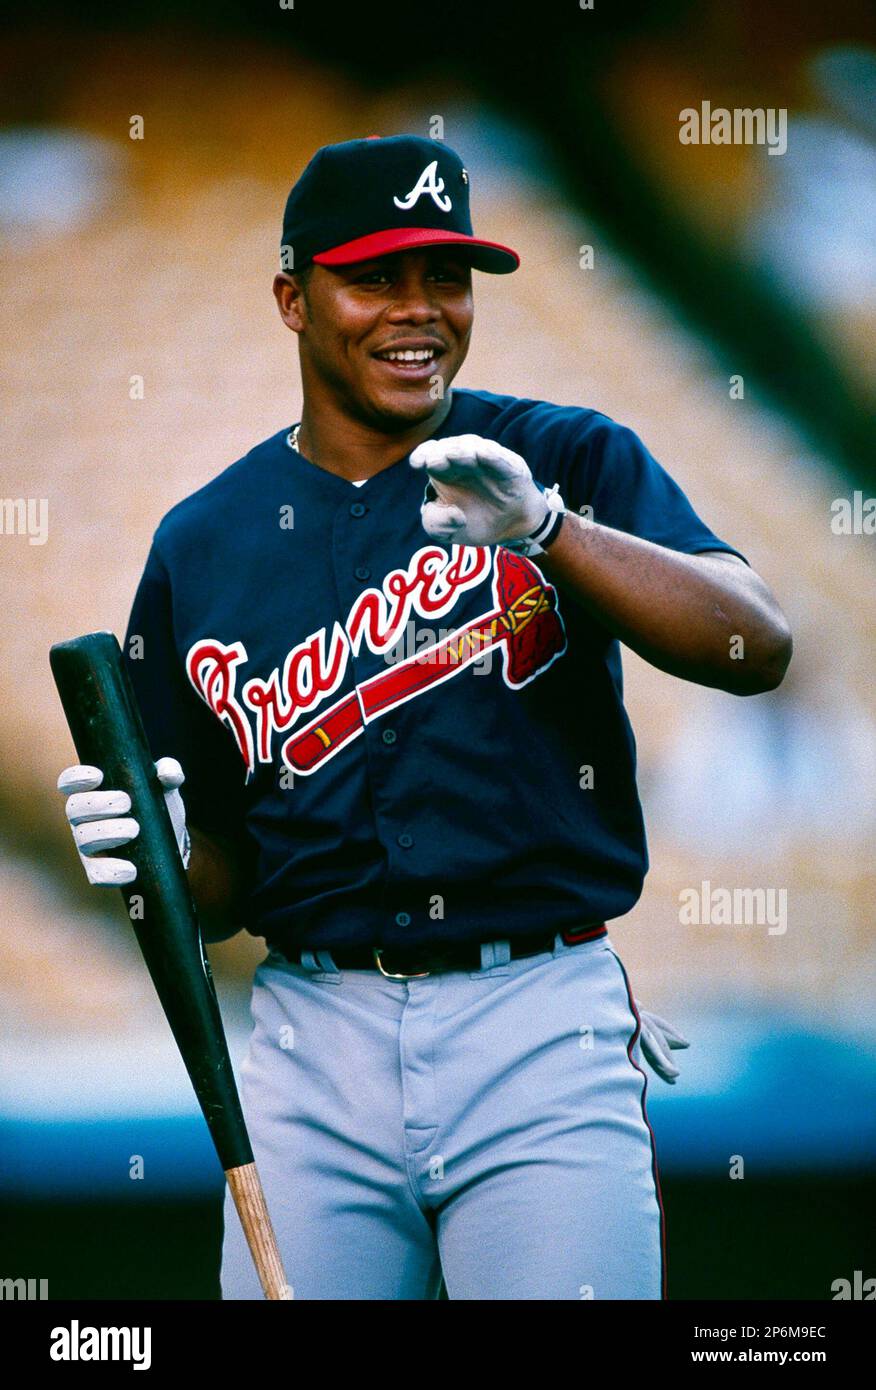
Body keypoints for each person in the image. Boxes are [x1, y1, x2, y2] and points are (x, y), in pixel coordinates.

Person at [57, 134, 792, 1300]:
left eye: (445, 277)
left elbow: (757, 643)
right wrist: (146, 856)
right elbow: (221, 882)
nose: (420, 311)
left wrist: (553, 531)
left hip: (540, 1022)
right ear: (294, 298)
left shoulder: (561, 454)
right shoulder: (204, 543)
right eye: (375, 277)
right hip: (314, 1039)